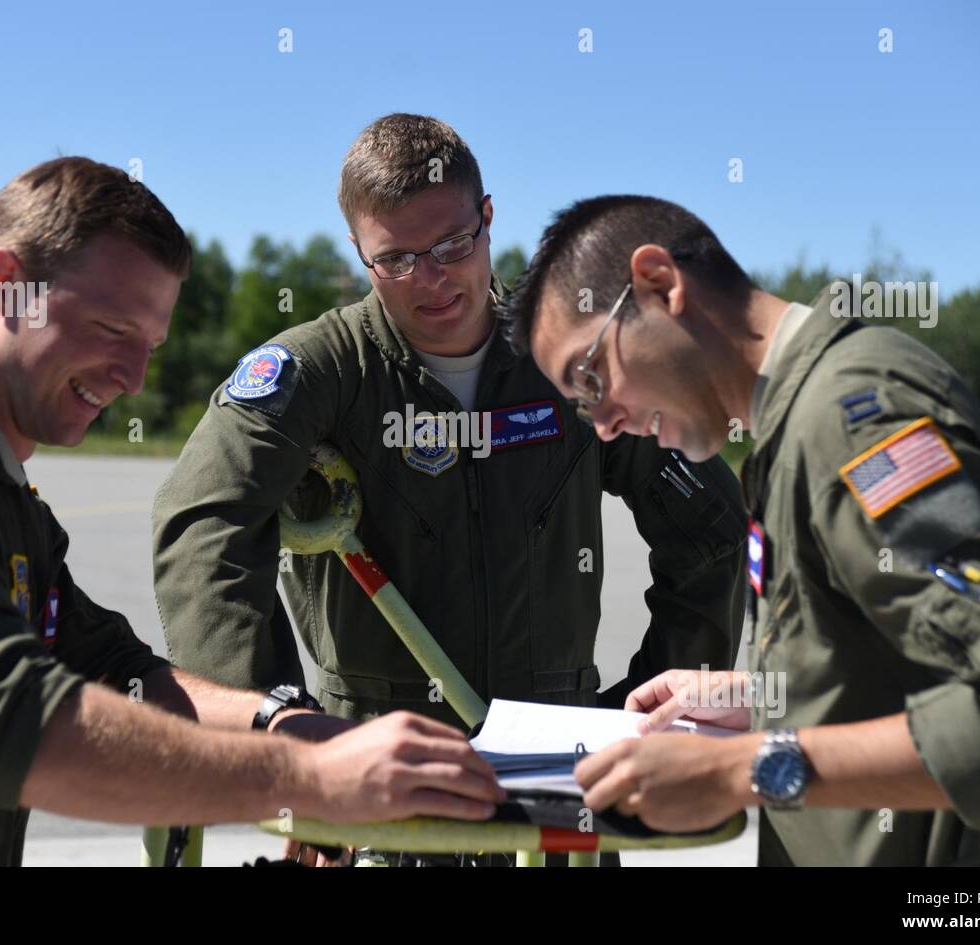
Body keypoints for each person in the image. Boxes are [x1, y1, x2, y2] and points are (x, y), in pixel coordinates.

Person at [0, 156, 503, 866]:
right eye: (111, 330)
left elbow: (106, 667)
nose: (133, 380)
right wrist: (306, 780)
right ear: (7, 288)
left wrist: (285, 725)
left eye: (151, 347)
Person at [152, 116, 746, 864]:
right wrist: (283, 740)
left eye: (450, 246)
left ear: (488, 217)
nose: (429, 279)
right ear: (358, 254)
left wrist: (640, 718)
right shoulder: (321, 374)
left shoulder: (564, 361)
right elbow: (203, 526)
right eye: (395, 258)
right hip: (370, 805)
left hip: (559, 801)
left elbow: (711, 527)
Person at [501, 193, 980, 865]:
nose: (602, 425)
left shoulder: (853, 419)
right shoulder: (791, 428)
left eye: (589, 376)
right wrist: (771, 701)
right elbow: (916, 666)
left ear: (660, 285)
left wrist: (742, 769)